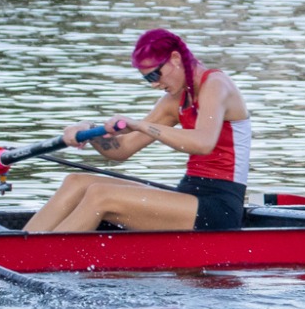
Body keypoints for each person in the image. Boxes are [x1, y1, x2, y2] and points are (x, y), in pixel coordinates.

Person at [26, 29, 251, 233]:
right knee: (76, 182)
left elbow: (203, 143)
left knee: (100, 195)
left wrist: (139, 124)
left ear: (175, 59)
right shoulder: (175, 100)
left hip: (220, 207)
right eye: (147, 79)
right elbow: (122, 149)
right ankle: (15, 248)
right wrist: (89, 130)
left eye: (155, 75)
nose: (153, 84)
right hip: (188, 195)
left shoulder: (215, 85)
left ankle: (37, 259)